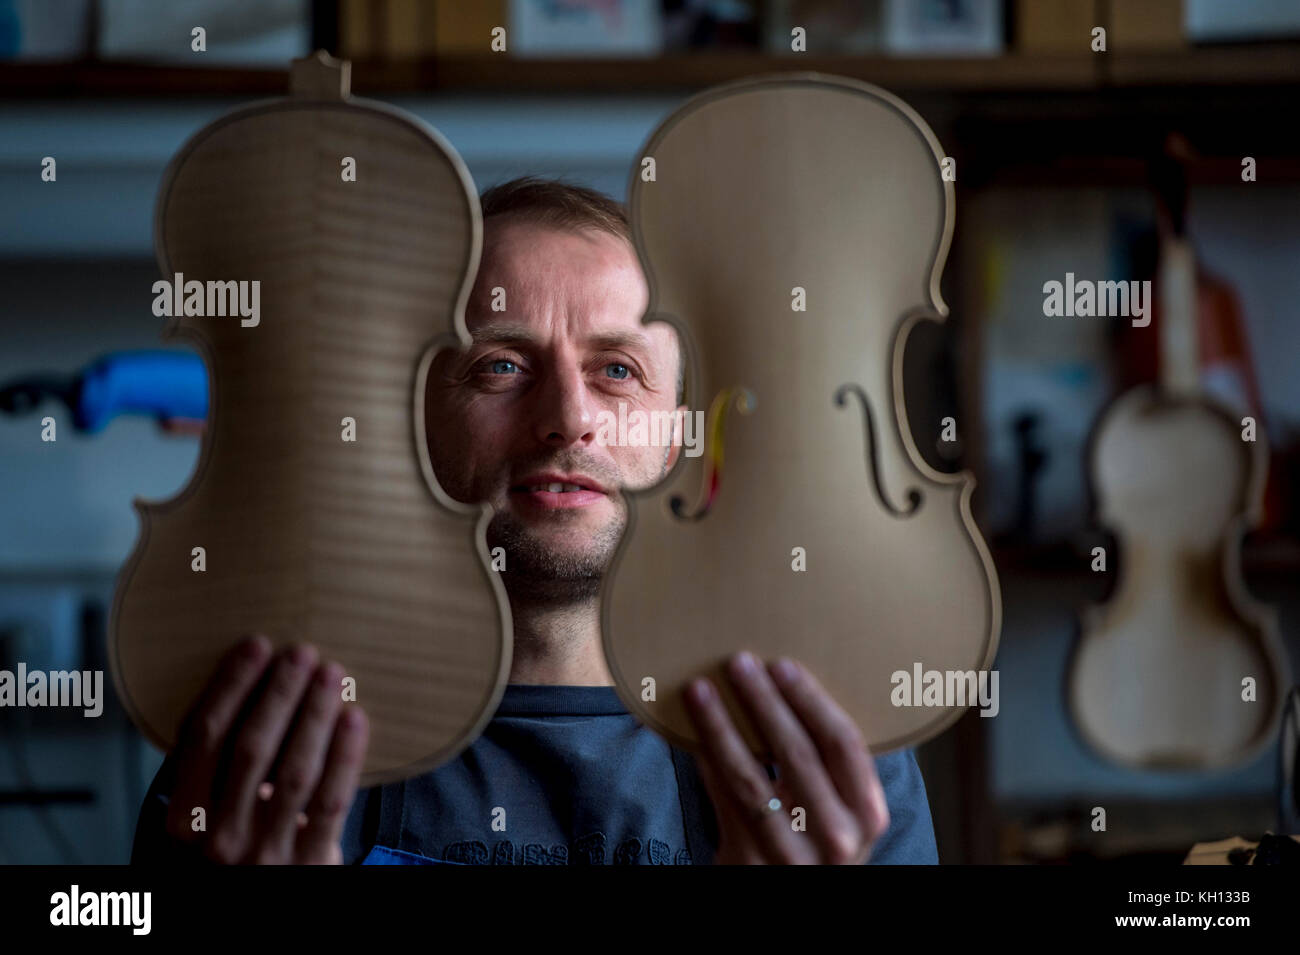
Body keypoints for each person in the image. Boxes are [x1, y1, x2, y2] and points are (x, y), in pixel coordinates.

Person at [131, 177, 939, 866]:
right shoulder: (266, 739)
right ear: (418, 423)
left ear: (680, 437)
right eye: (502, 366)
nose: (566, 418)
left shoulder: (822, 746)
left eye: (617, 370)